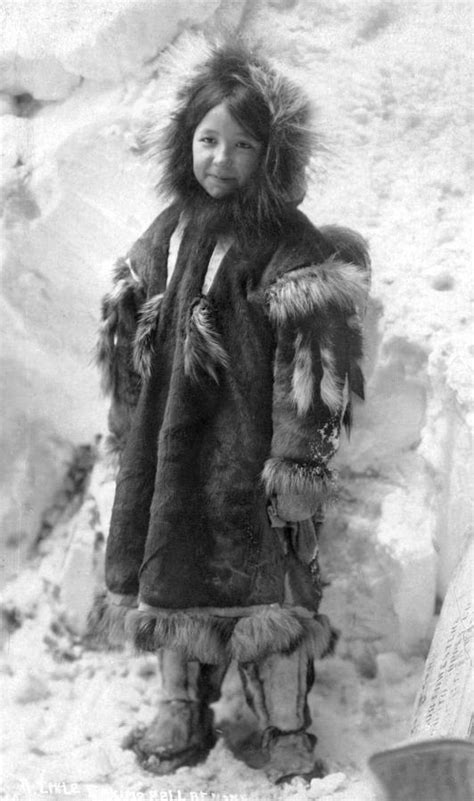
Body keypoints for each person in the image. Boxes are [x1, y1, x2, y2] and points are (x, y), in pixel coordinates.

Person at [92, 41, 370, 784]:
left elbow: (313, 358)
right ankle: (181, 705)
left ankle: (286, 725)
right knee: (169, 572)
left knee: (270, 593)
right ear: (186, 143)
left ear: (271, 155)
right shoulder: (175, 228)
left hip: (249, 460)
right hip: (172, 454)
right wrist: (129, 386)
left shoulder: (285, 243)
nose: (222, 158)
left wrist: (298, 457)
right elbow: (133, 306)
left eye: (243, 144)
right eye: (208, 139)